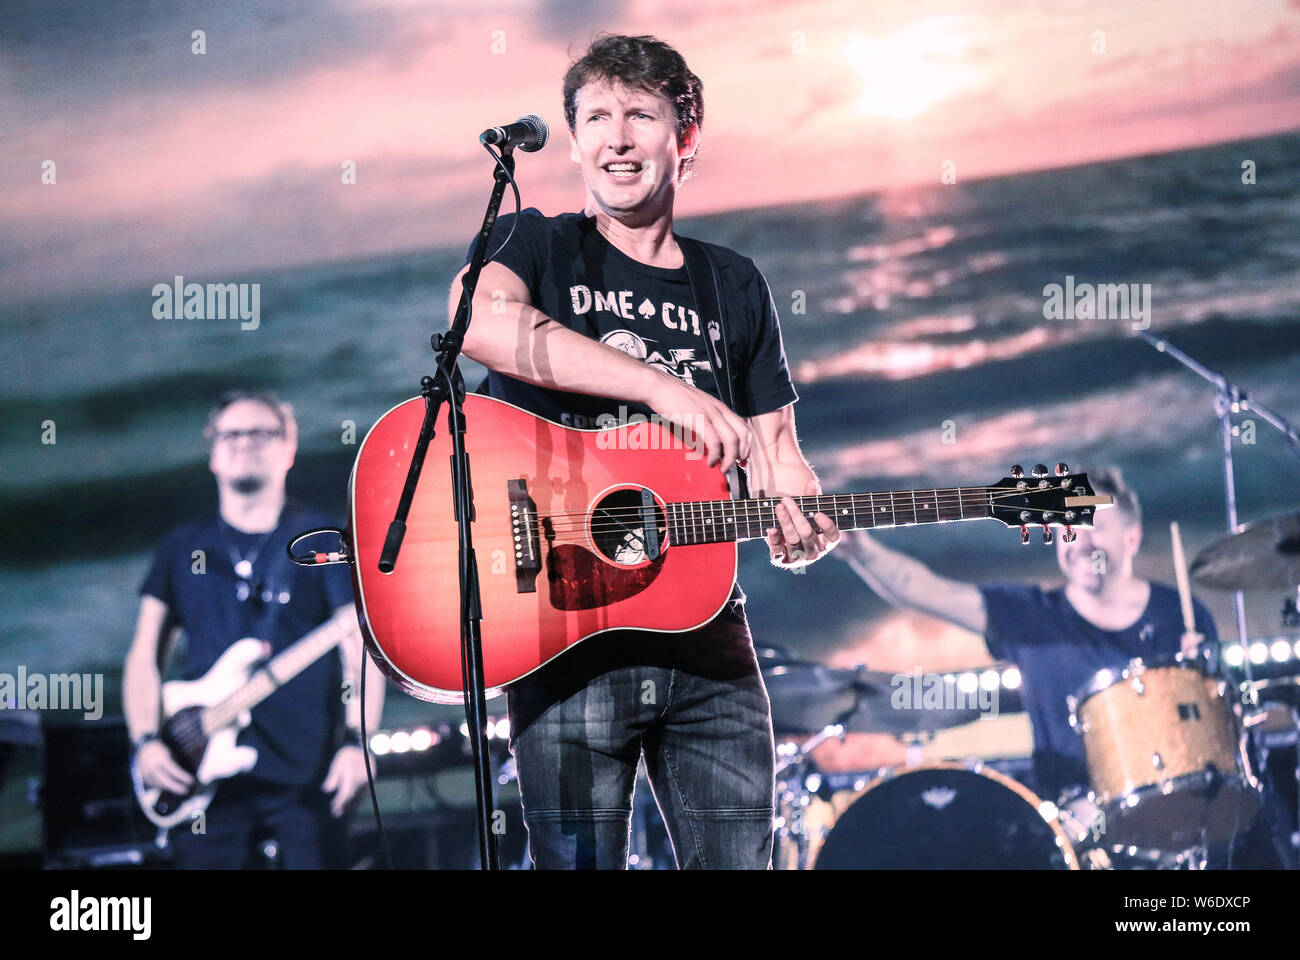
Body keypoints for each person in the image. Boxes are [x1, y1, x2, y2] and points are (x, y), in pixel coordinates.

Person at [446, 33, 841, 869]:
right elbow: (476, 323)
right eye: (595, 116)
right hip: (561, 637)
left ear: (684, 136)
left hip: (706, 636)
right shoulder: (538, 243)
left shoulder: (730, 282)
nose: (615, 137)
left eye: (639, 114)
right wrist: (666, 388)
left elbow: (778, 453)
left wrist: (799, 514)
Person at [836, 466, 1290, 867]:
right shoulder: (1029, 614)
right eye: (1068, 528)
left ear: (1131, 538)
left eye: (1094, 527)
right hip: (1080, 830)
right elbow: (925, 590)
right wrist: (860, 550)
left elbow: (1219, 734)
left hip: (1191, 814)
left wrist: (1206, 675)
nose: (1080, 541)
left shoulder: (1181, 615)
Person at [123, 390, 384, 869]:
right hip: (200, 775)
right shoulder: (182, 548)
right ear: (213, 452)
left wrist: (356, 742)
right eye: (231, 434)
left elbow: (359, 652)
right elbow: (143, 658)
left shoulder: (323, 540)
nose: (244, 443)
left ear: (289, 449)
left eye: (260, 433)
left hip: (307, 776)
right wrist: (145, 741)